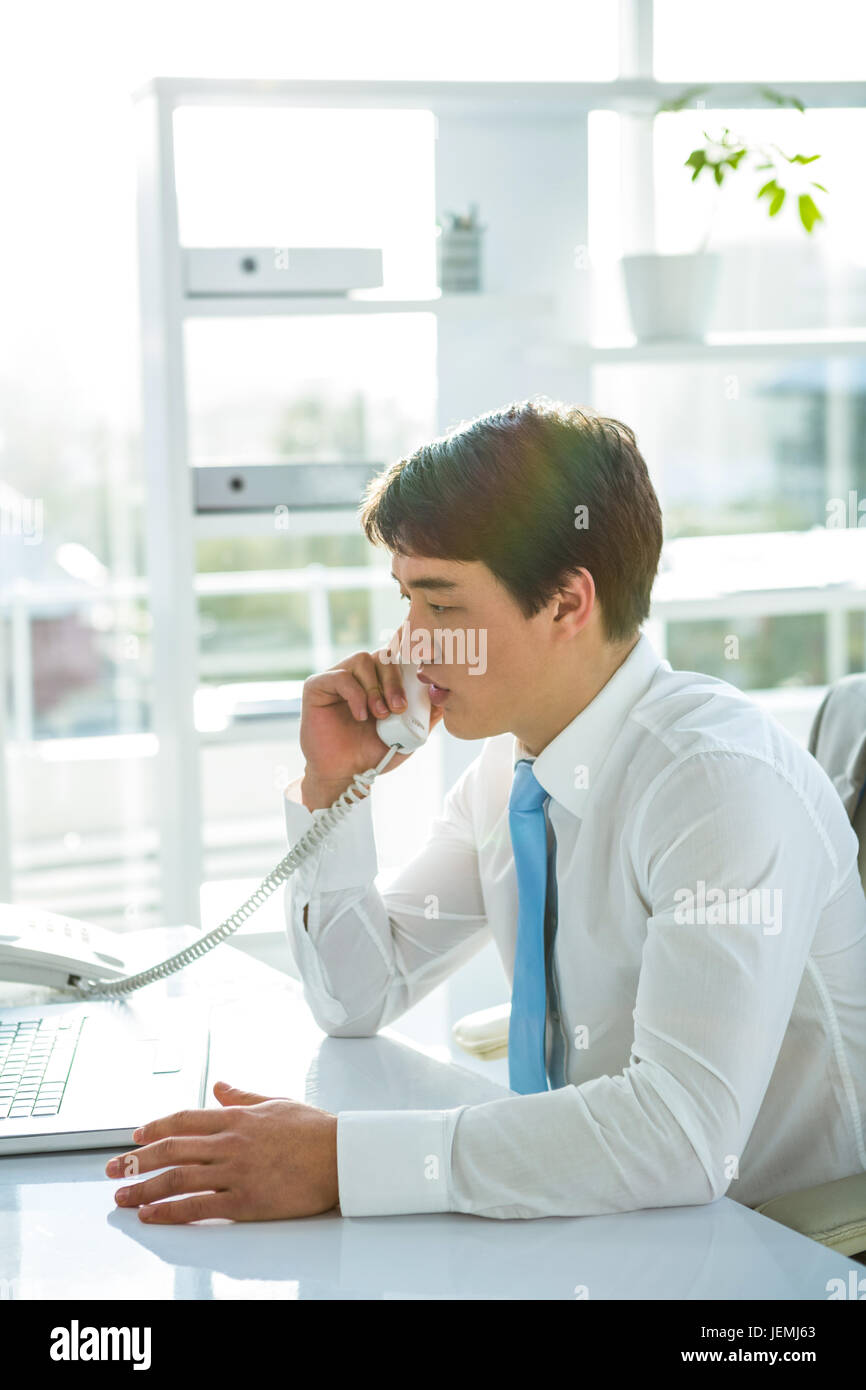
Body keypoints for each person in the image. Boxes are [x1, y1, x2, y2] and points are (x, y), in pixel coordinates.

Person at [105, 397, 866, 1224]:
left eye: (441, 605)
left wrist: (340, 1160)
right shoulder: (514, 766)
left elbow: (681, 1135)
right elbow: (358, 998)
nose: (409, 645)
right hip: (615, 1219)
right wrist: (334, 791)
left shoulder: (715, 784)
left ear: (568, 604)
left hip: (789, 1243)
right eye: (406, 603)